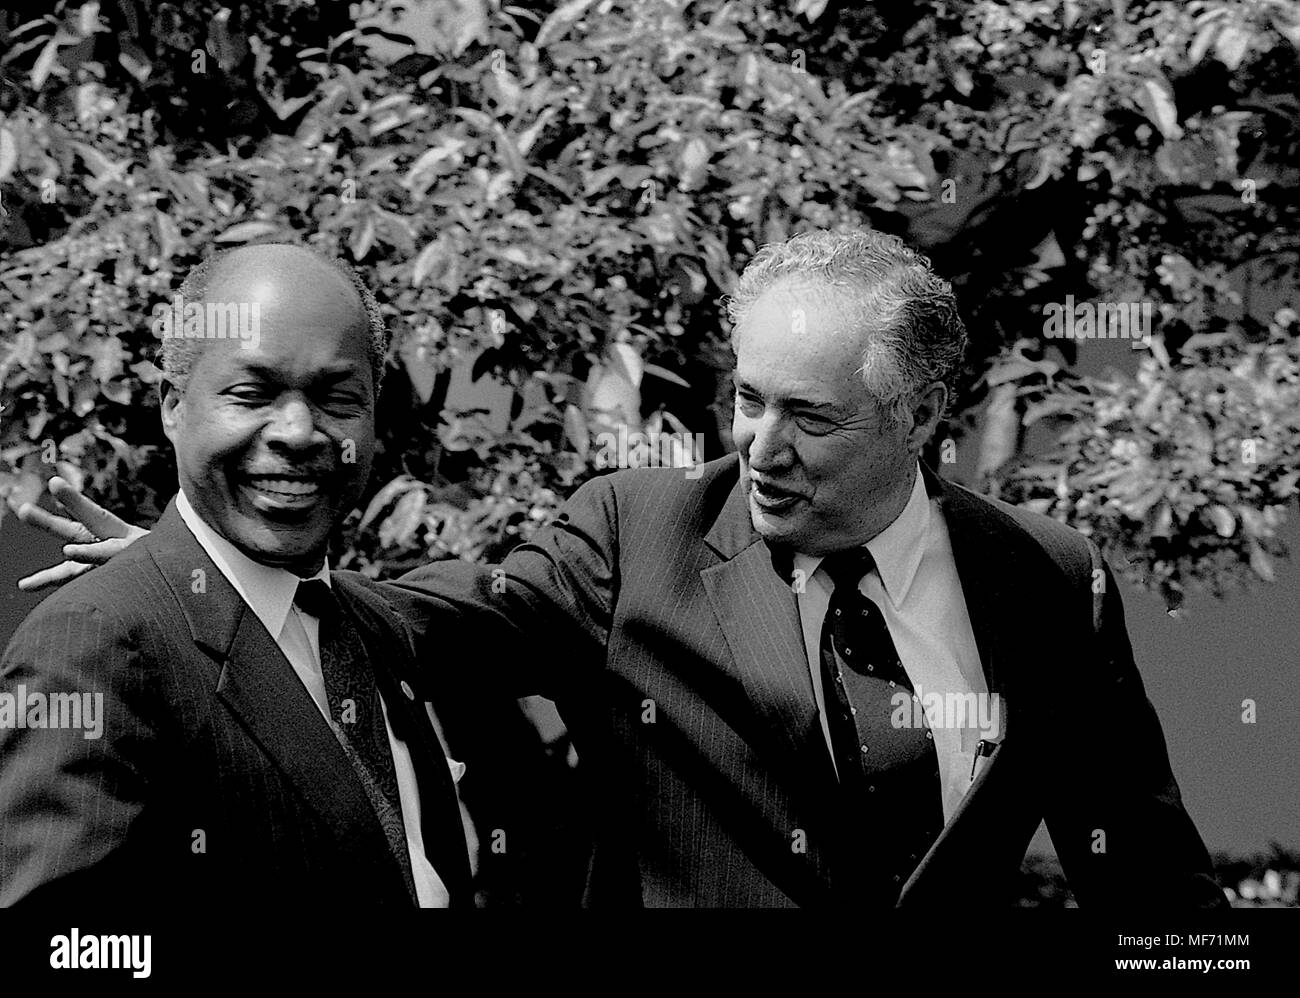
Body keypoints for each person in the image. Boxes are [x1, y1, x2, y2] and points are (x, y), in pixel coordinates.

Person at [15, 230, 1226, 909]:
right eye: (743, 398)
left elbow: (1155, 879)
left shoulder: (1046, 577)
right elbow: (446, 621)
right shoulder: (641, 535)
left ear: (918, 415)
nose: (758, 445)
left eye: (808, 416)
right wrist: (215, 578)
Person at [0, 244, 471, 908]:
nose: (299, 431)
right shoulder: (96, 647)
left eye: (338, 397)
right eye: (253, 393)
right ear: (173, 406)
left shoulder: (370, 629)